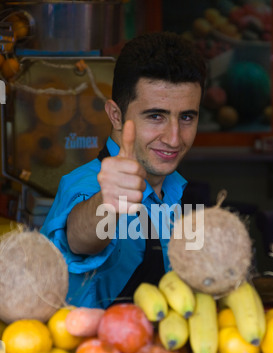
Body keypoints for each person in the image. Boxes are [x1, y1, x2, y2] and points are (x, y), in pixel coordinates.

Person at [40, 31, 206, 309]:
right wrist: (109, 201)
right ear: (116, 115)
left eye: (187, 117)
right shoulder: (84, 187)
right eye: (156, 116)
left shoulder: (179, 190)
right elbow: (79, 239)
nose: (174, 138)